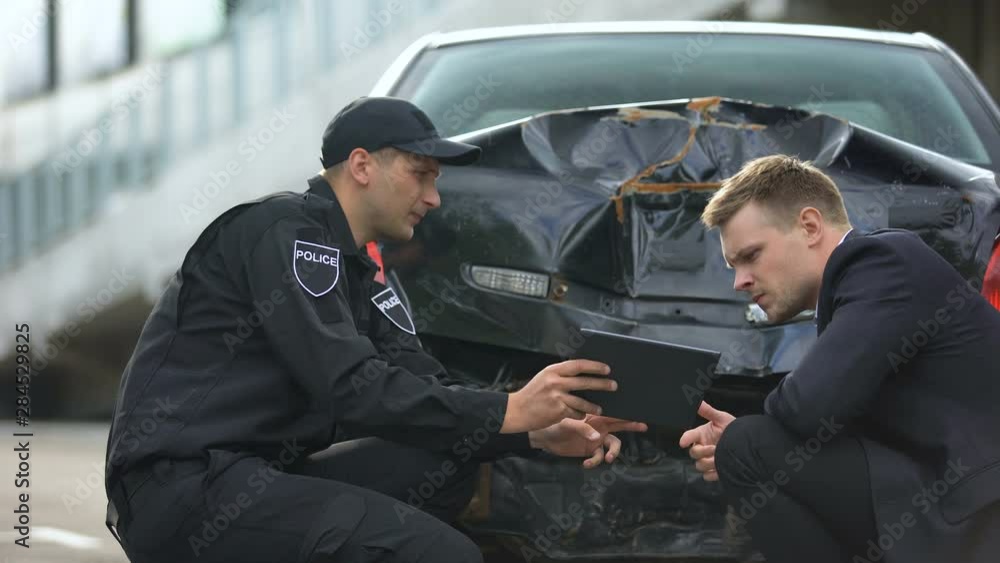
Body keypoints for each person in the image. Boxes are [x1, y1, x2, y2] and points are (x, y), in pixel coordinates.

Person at [104, 96, 647, 563]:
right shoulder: (285, 231)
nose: (434, 197)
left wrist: (531, 431)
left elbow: (420, 383)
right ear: (362, 165)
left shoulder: (359, 271)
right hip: (184, 487)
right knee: (442, 555)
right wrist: (510, 409)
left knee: (449, 463)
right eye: (421, 174)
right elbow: (349, 387)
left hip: (257, 477)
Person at [679, 155, 1000, 563]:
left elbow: (807, 407)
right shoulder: (861, 282)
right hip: (946, 495)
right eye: (733, 265)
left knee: (746, 446)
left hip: (979, 510)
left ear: (810, 226)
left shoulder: (882, 261)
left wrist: (745, 432)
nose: (739, 281)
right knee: (750, 444)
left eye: (751, 255)